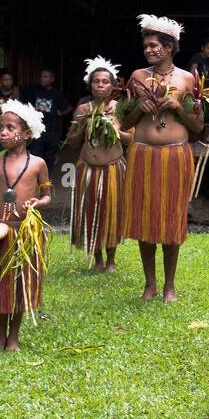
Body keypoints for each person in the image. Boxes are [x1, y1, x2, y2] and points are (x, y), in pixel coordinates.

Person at [119, 15, 204, 301]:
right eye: (146, 46)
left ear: (169, 47)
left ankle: (169, 286)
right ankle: (150, 284)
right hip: (142, 153)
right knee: (145, 218)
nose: (149, 50)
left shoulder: (187, 79)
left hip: (175, 155)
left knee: (171, 218)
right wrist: (139, 108)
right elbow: (123, 121)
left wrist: (178, 107)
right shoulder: (137, 78)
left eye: (154, 46)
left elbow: (197, 128)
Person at [0, 100, 53, 351]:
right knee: (1, 284)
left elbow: (47, 195)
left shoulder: (38, 164)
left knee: (21, 284)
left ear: (27, 134)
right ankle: (0, 335)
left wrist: (38, 203)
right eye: (1, 128)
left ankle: (14, 336)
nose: (3, 133)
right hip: (0, 230)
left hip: (26, 232)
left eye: (10, 128)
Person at [65, 57, 131, 272]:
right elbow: (73, 142)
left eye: (105, 81)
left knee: (112, 212)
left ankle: (111, 260)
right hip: (87, 168)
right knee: (90, 211)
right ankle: (98, 260)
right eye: (96, 81)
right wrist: (83, 125)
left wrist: (114, 129)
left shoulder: (119, 109)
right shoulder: (83, 108)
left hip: (112, 168)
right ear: (90, 85)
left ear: (112, 86)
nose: (101, 85)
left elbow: (132, 139)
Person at [21, 69, 71, 168]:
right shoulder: (34, 90)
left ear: (52, 79)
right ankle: (35, 177)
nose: (42, 79)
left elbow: (69, 108)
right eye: (41, 76)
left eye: (45, 77)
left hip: (52, 130)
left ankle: (46, 179)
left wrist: (61, 113)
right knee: (35, 155)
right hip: (37, 129)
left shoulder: (57, 94)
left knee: (49, 157)